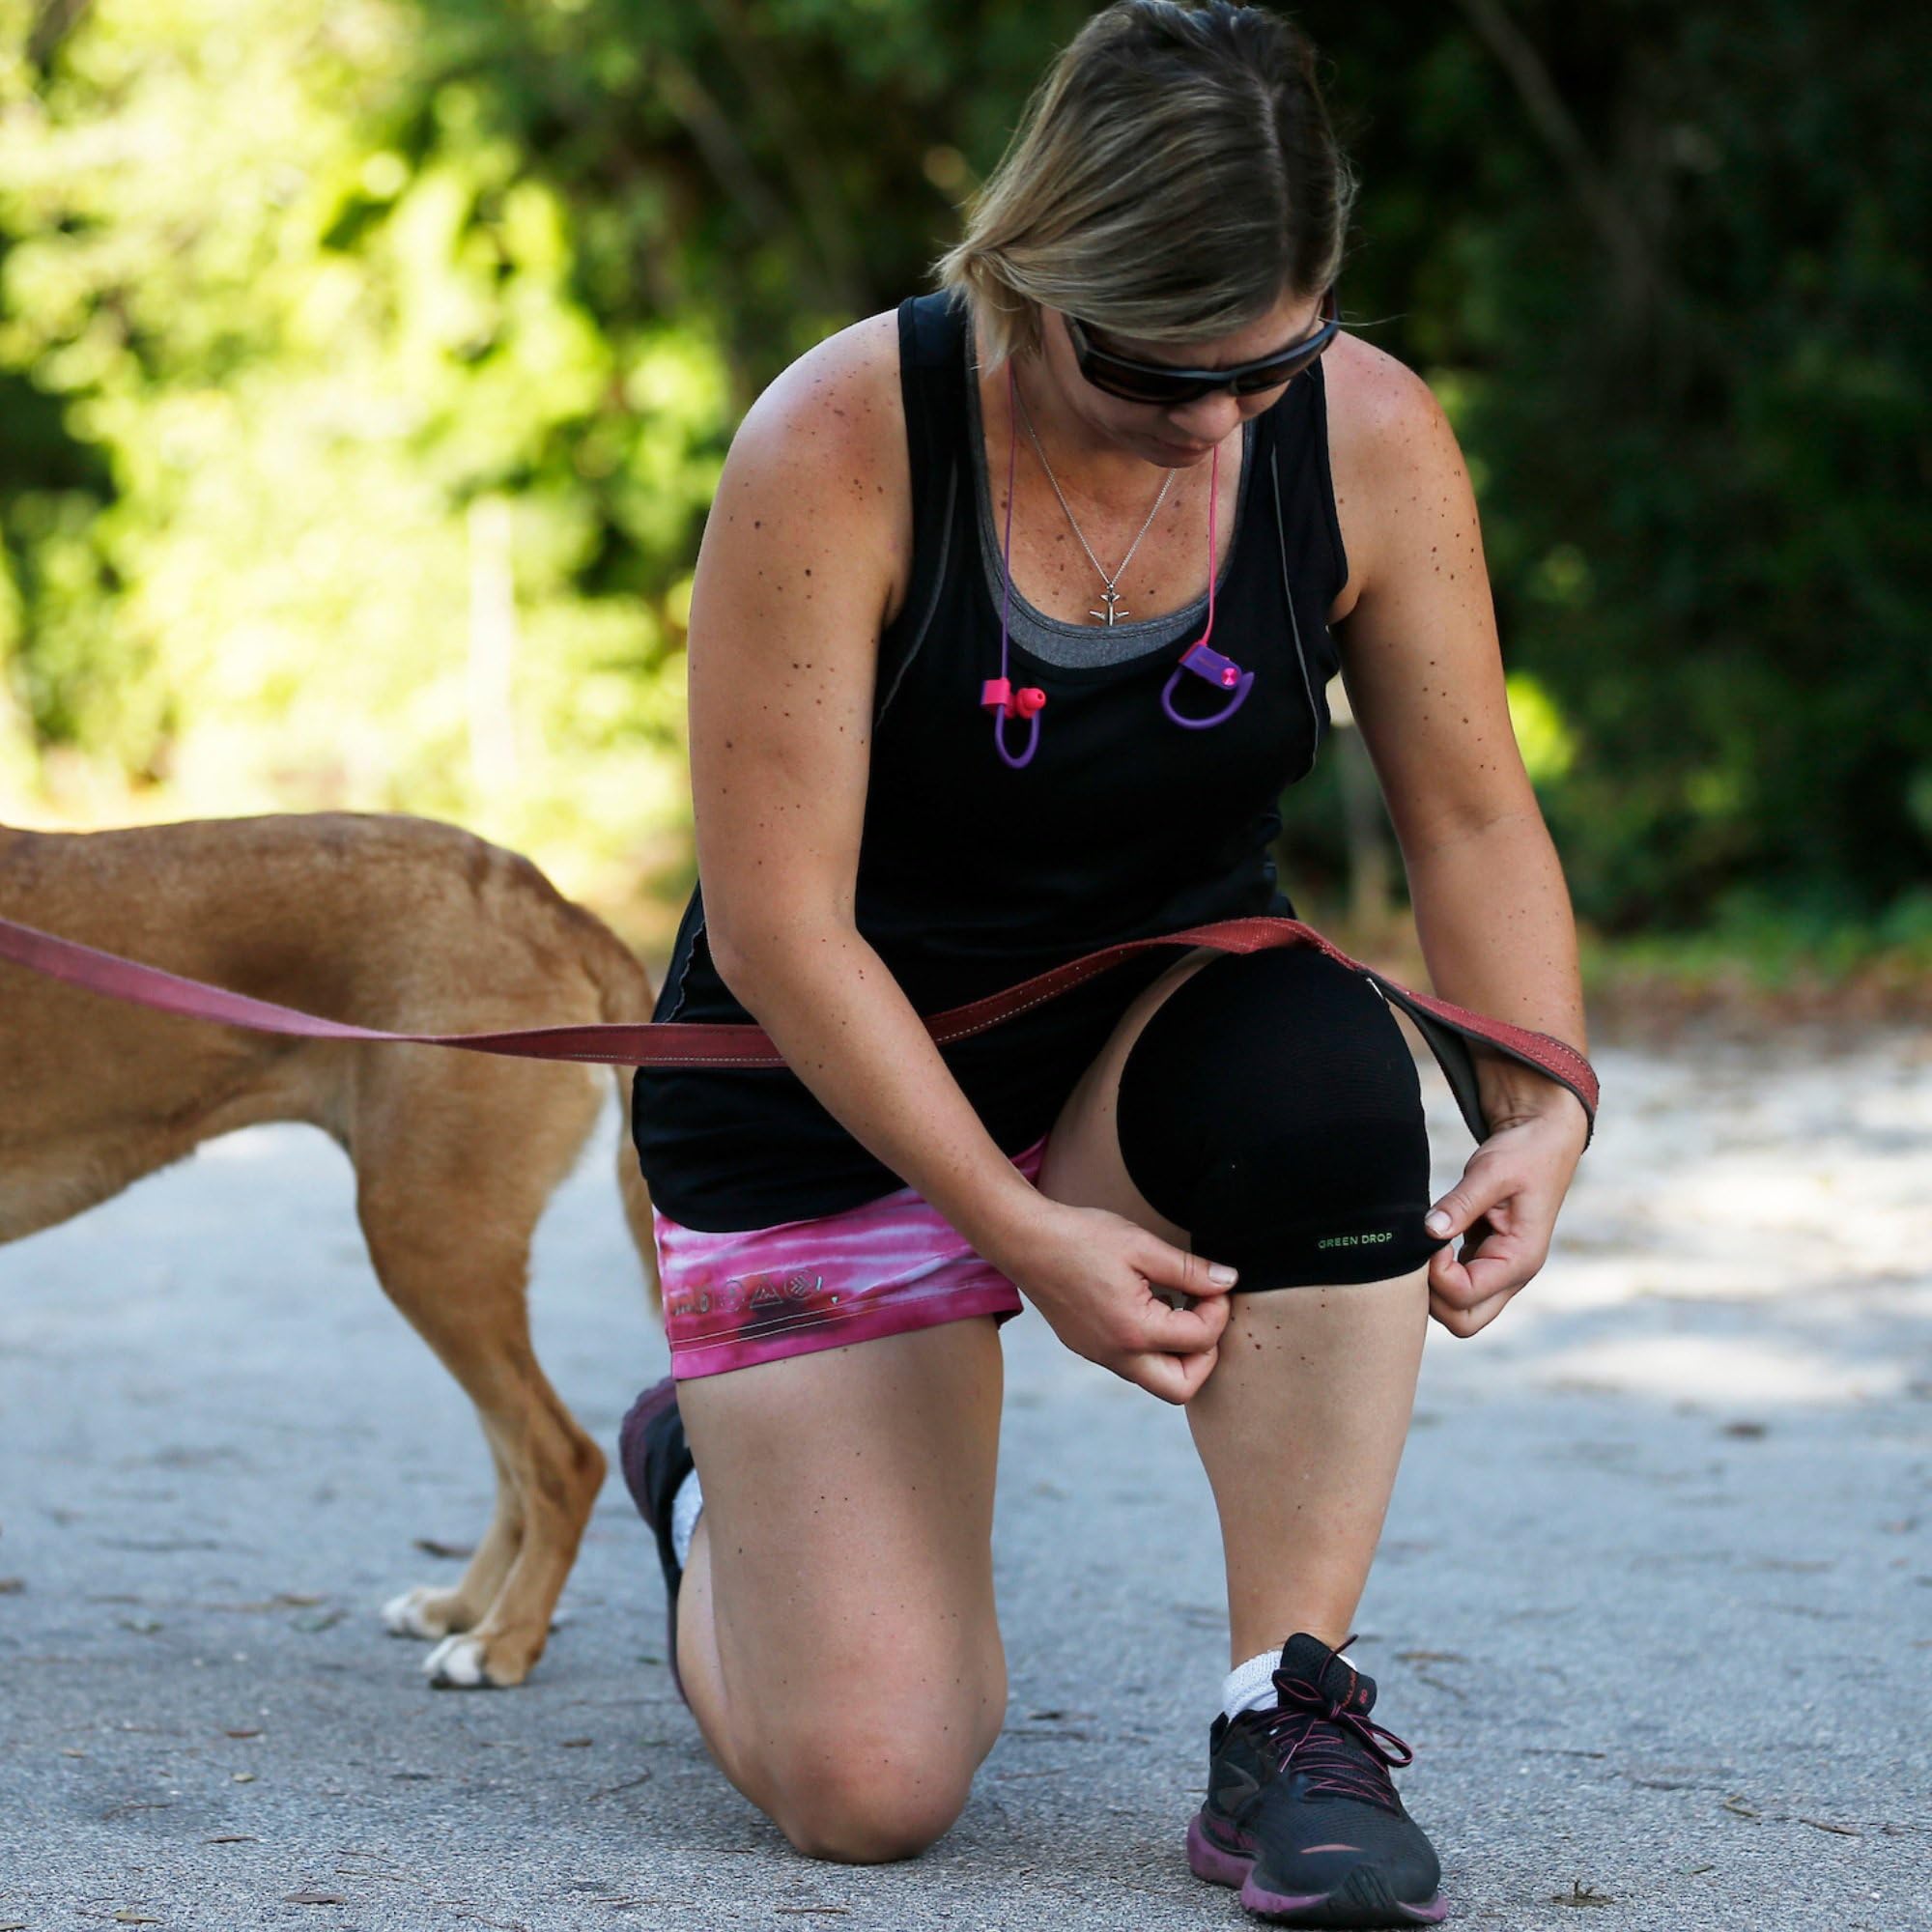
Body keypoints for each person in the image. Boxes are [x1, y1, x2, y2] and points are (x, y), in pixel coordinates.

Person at [620, 2, 1593, 1923]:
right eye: (1153, 372)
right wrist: (1009, 1224)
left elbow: (1470, 818)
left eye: (1271, 361)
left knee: (1321, 1062)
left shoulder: (1368, 437)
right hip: (824, 1081)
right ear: (1030, 272)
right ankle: (708, 1486)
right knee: (872, 1787)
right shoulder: (839, 438)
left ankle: (1283, 1711)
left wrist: (1542, 1100)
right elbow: (777, 924)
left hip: (1141, 1045)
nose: (1216, 422)